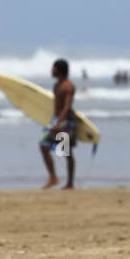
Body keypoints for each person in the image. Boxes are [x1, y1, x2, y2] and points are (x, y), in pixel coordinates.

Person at [39, 59, 77, 189]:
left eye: (53, 68)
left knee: (66, 152)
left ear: (58, 69)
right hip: (56, 120)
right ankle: (53, 177)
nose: (51, 70)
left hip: (65, 122)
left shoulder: (68, 86)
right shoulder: (56, 85)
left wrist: (59, 123)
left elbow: (66, 107)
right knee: (44, 146)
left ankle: (70, 183)